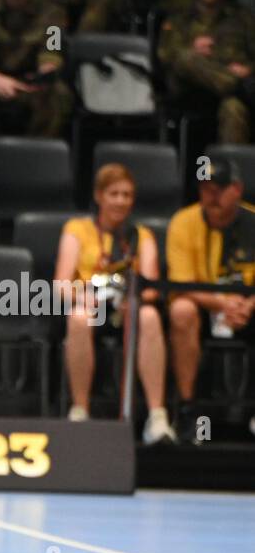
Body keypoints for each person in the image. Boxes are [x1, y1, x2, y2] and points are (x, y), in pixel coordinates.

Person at [56, 163, 174, 443]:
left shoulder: (141, 235)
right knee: (78, 317)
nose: (121, 201)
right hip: (90, 303)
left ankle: (157, 417)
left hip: (126, 307)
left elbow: (151, 287)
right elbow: (61, 283)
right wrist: (83, 297)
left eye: (127, 195)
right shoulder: (77, 229)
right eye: (114, 194)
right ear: (99, 196)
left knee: (149, 316)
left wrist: (133, 299)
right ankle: (80, 410)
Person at [165, 157, 255, 441]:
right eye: (206, 189)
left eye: (219, 189)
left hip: (248, 305)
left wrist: (247, 305)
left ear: (237, 189)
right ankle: (190, 410)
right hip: (205, 307)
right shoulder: (183, 222)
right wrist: (222, 304)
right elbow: (181, 282)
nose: (212, 196)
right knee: (180, 310)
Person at [0, 0, 73, 164]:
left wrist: (42, 76)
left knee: (59, 94)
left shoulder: (52, 10)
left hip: (30, 81)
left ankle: (36, 161)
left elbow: (51, 52)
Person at [157, 0, 255, 145]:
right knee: (186, 58)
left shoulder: (242, 17)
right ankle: (238, 87)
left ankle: (232, 166)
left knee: (233, 108)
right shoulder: (180, 17)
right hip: (192, 90)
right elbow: (165, 57)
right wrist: (192, 47)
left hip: (230, 94)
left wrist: (247, 69)